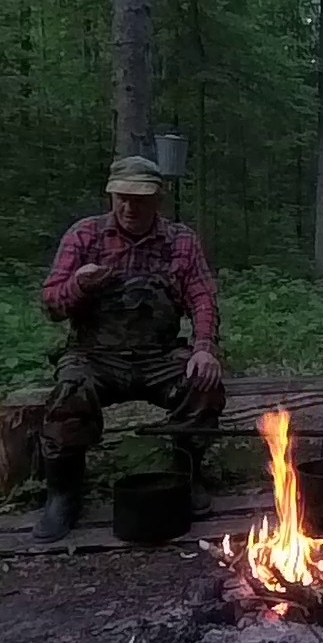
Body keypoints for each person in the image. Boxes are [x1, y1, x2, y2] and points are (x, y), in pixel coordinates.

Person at [35, 156, 226, 541]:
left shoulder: (180, 241)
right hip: (94, 356)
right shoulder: (84, 236)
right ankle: (64, 493)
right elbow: (51, 304)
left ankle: (187, 475)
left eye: (140, 199)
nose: (129, 207)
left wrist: (204, 348)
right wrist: (79, 286)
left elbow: (203, 298)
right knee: (70, 393)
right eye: (122, 198)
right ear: (111, 196)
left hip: (158, 356)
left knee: (203, 386)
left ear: (158, 199)